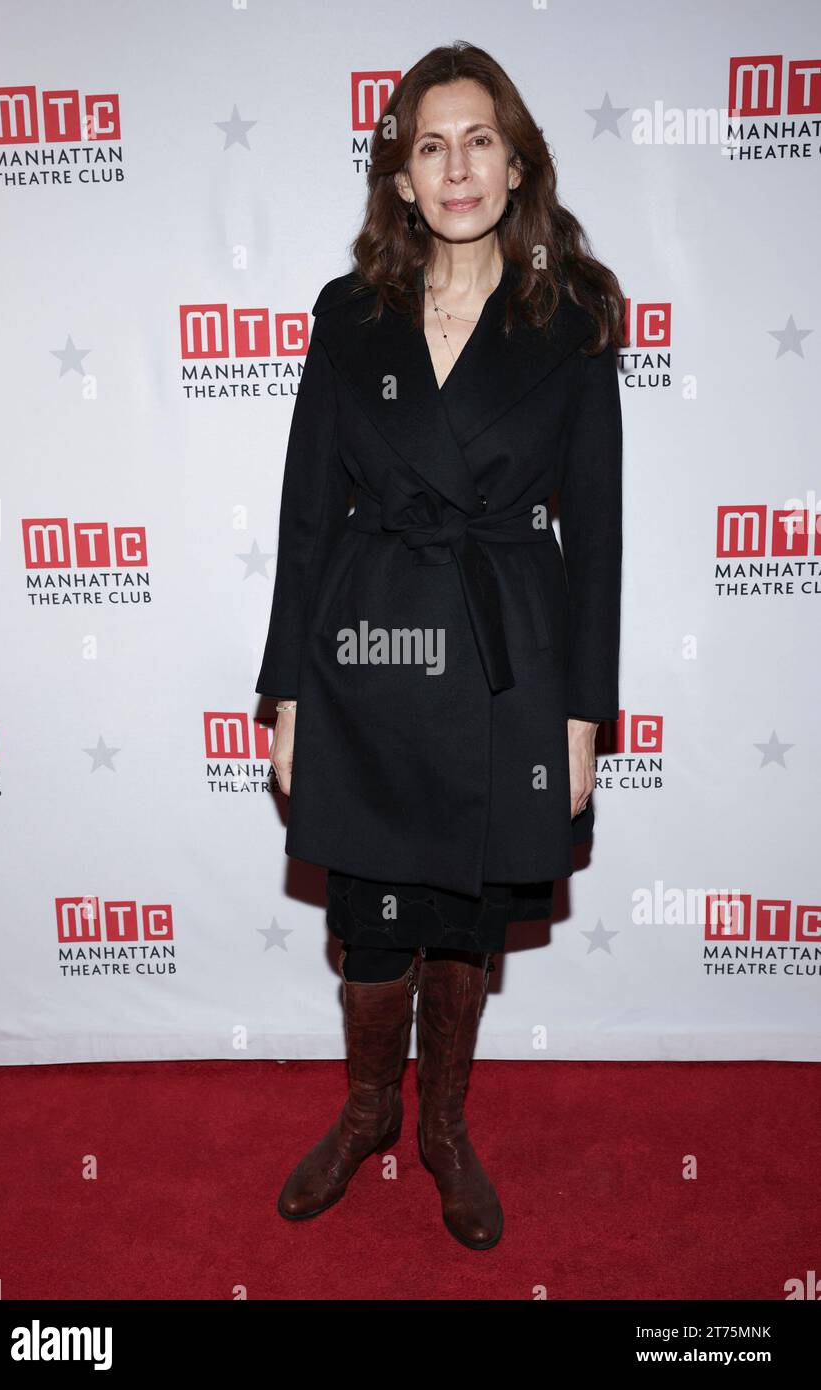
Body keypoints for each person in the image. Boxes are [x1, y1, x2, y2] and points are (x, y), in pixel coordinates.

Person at [255, 41, 624, 1251]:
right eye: (429, 143)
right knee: (370, 916)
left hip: (504, 649)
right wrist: (287, 693)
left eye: (476, 140)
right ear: (400, 177)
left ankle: (445, 1129)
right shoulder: (346, 315)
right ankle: (367, 1108)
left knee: (464, 914)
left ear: (513, 164)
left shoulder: (569, 318)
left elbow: (600, 531)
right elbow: (307, 511)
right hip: (365, 647)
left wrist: (581, 717)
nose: (454, 165)